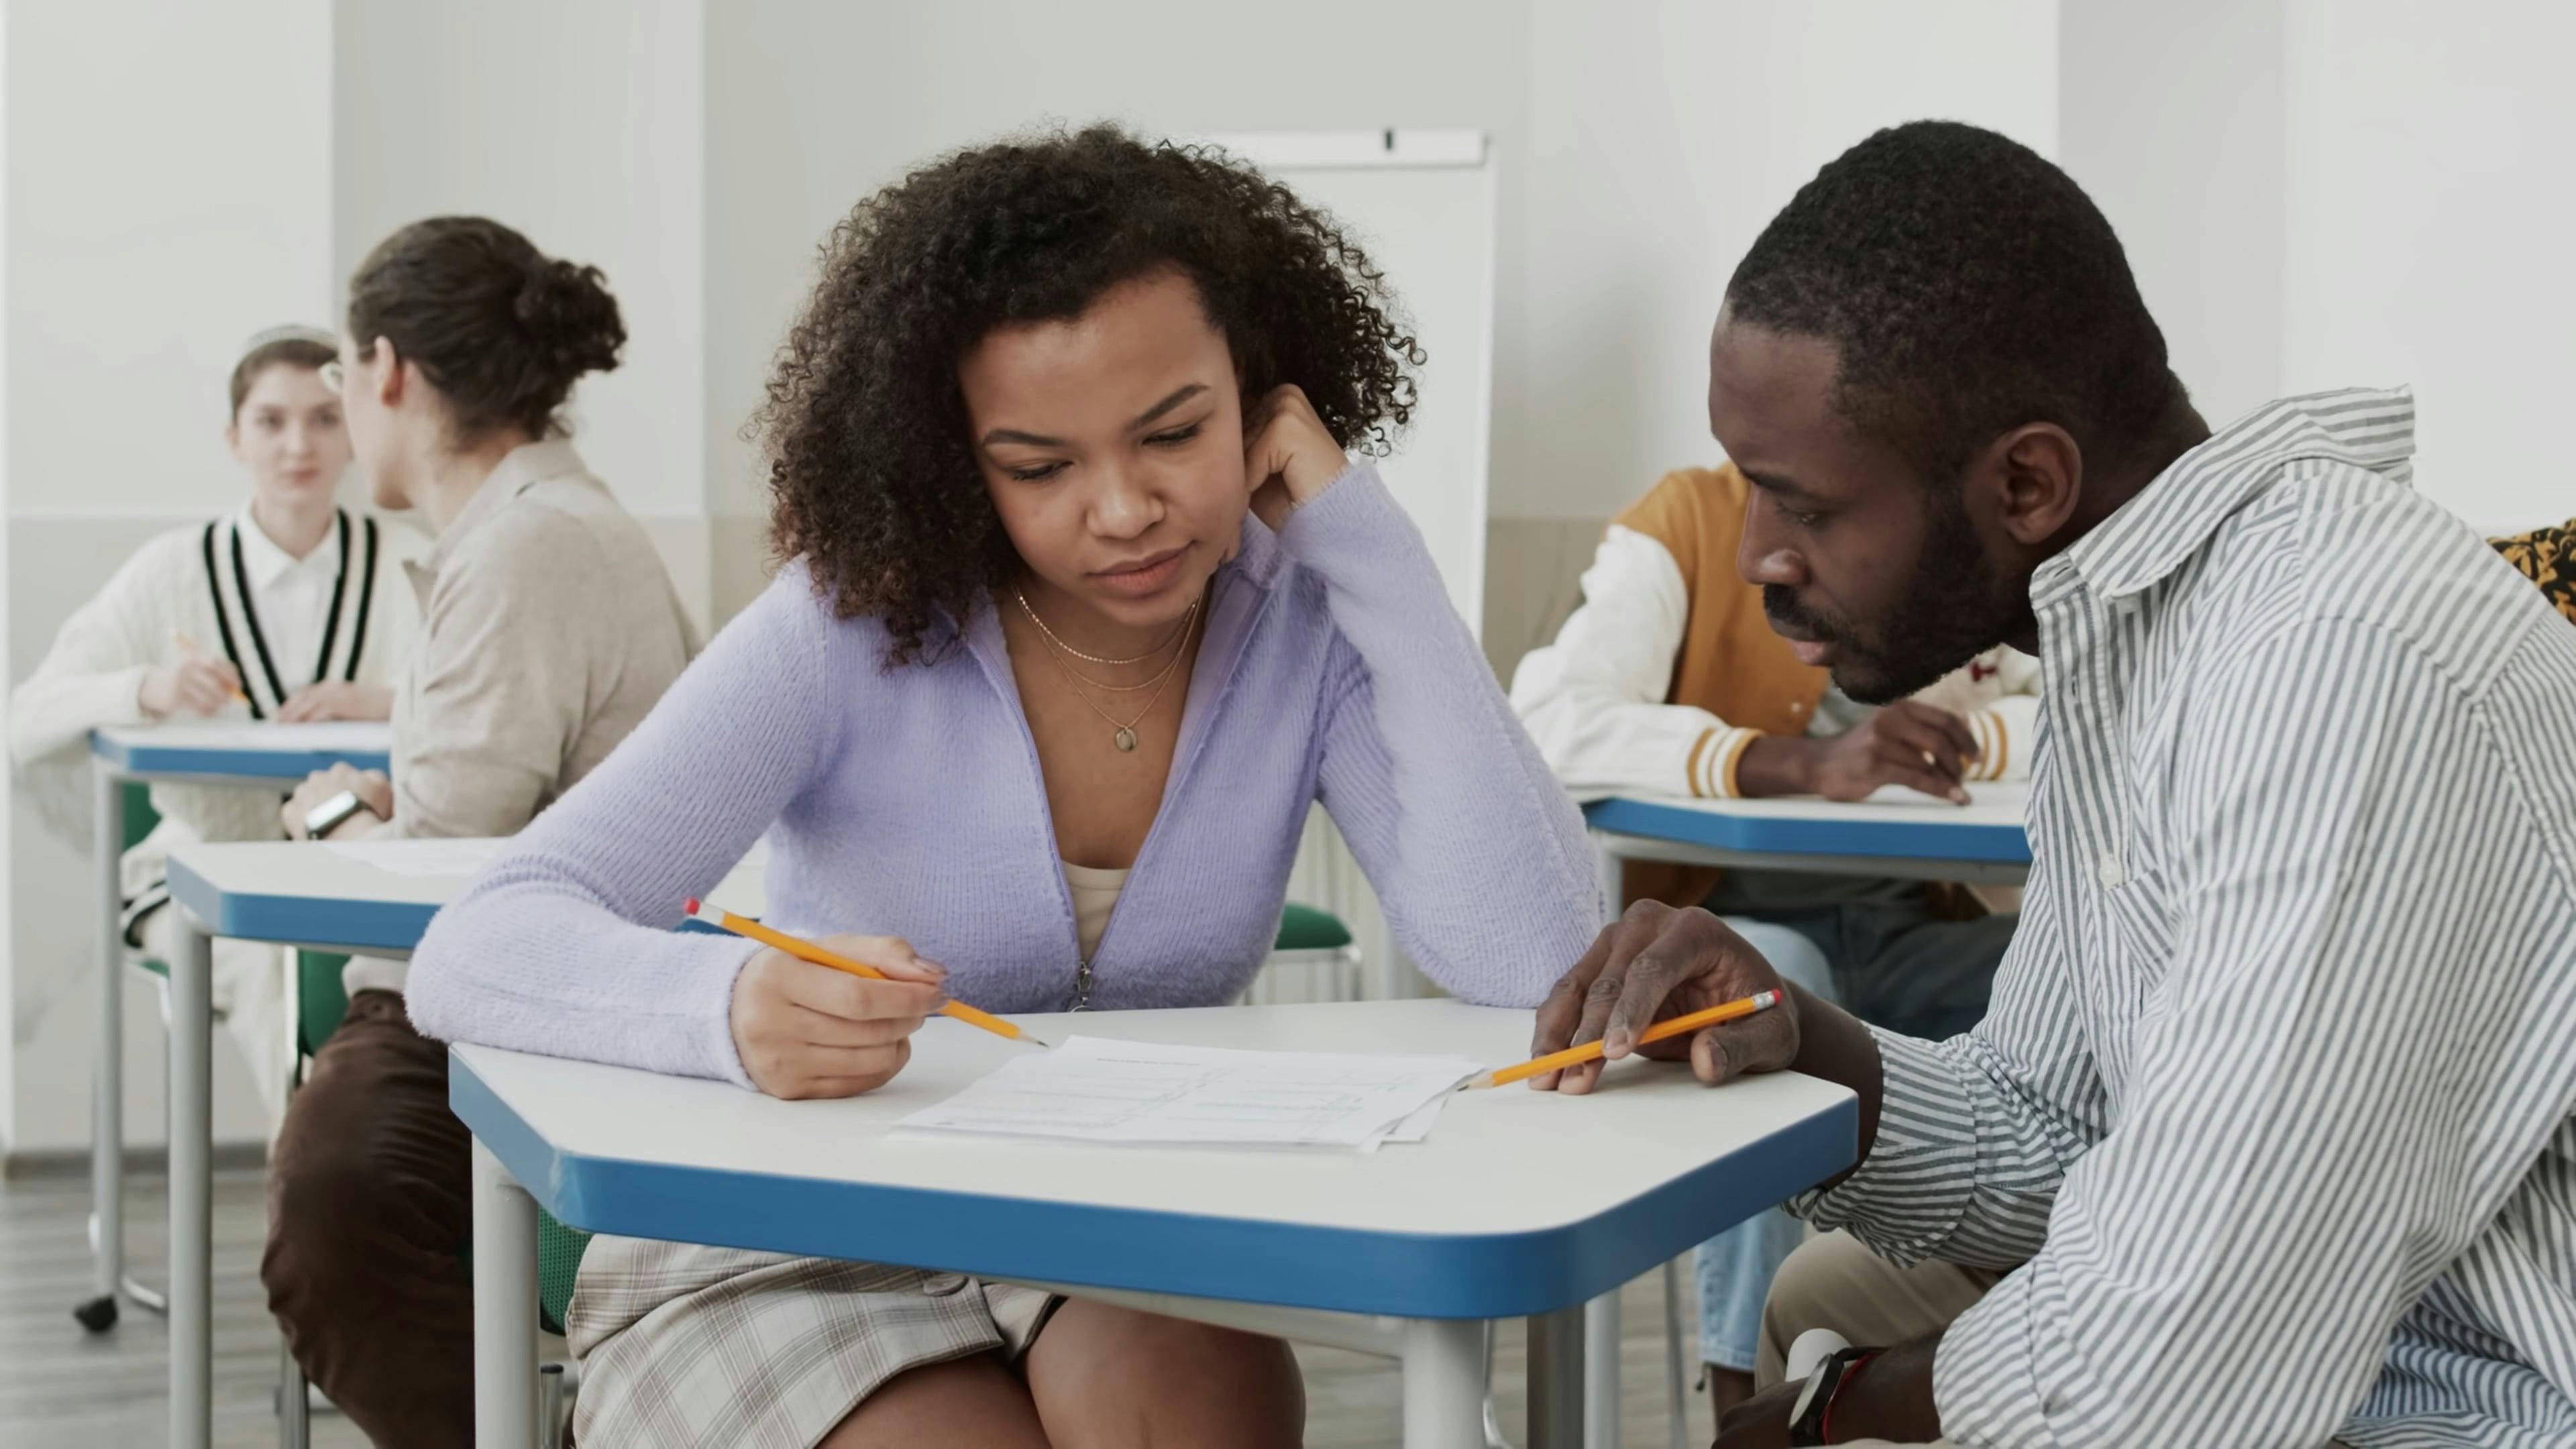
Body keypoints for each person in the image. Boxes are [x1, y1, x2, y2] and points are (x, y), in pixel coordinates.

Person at [406, 125, 1601, 1449]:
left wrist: (1370, 549)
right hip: (796, 1228)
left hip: (1107, 1211)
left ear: (1267, 401)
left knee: (1201, 1409)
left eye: (1176, 433)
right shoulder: (848, 626)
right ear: (951, 458)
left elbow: (1534, 956)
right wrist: (727, 1006)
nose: (1126, 509)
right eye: (1041, 466)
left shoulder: (1310, 626)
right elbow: (485, 936)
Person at [1534, 121, 2576, 1448]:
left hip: (2477, 1402)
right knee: (1822, 1295)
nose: (1757, 557)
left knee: (1828, 1366)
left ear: (2027, 479)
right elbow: (2067, 1130)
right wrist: (1802, 1034)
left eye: (1804, 506)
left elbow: (2181, 1365)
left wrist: (1834, 1414)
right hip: (2331, 1351)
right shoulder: (2135, 632)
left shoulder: (2333, 665)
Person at [259, 217, 698, 1449]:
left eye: (344, 378)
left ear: (389, 370)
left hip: (512, 985)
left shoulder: (528, 548)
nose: (342, 410)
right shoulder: (527, 530)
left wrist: (331, 812)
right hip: (521, 961)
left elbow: (446, 845)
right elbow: (496, 795)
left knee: (334, 1216)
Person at [1509, 462, 2037, 1412]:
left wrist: (1975, 739)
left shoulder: (1952, 530)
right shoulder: (1689, 525)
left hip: (1916, 929)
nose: (1774, 552)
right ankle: (1738, 1389)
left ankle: (2050, 1328)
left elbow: (2097, 703)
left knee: (2053, 979)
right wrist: (1793, 762)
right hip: (1746, 922)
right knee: (1757, 995)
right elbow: (1549, 720)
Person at [7, 326, 418, 1121]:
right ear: (235, 439)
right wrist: (147, 688)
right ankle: (307, 1186)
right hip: (194, 868)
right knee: (276, 956)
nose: (298, 443)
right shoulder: (173, 570)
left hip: (359, 864)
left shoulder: (407, 561)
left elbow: (478, 706)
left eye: (325, 418)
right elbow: (29, 717)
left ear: (356, 430)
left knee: (367, 962)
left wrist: (387, 700)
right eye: (271, 421)